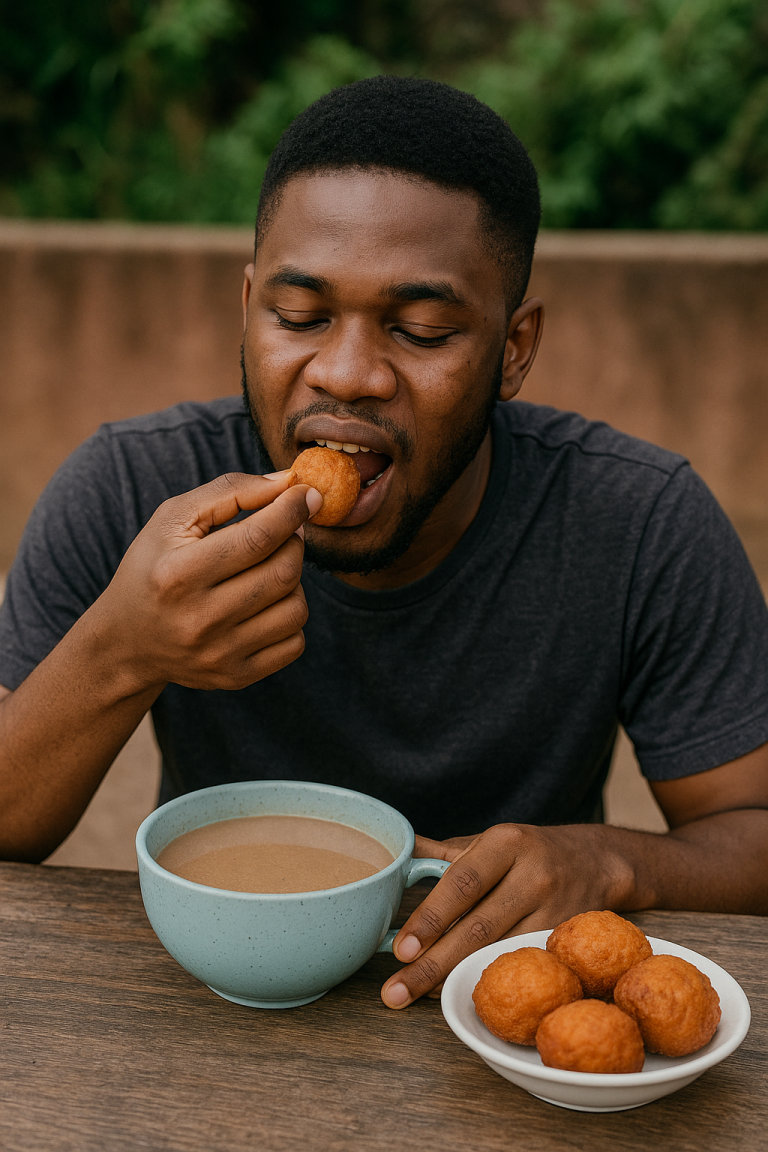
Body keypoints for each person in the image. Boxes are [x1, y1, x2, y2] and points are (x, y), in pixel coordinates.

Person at [1, 77, 767, 1011]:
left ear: (514, 348)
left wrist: (611, 864)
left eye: (422, 329)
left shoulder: (641, 524)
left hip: (503, 1046)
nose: (347, 374)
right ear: (246, 310)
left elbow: (750, 830)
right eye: (298, 317)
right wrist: (122, 651)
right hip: (220, 1010)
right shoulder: (131, 492)